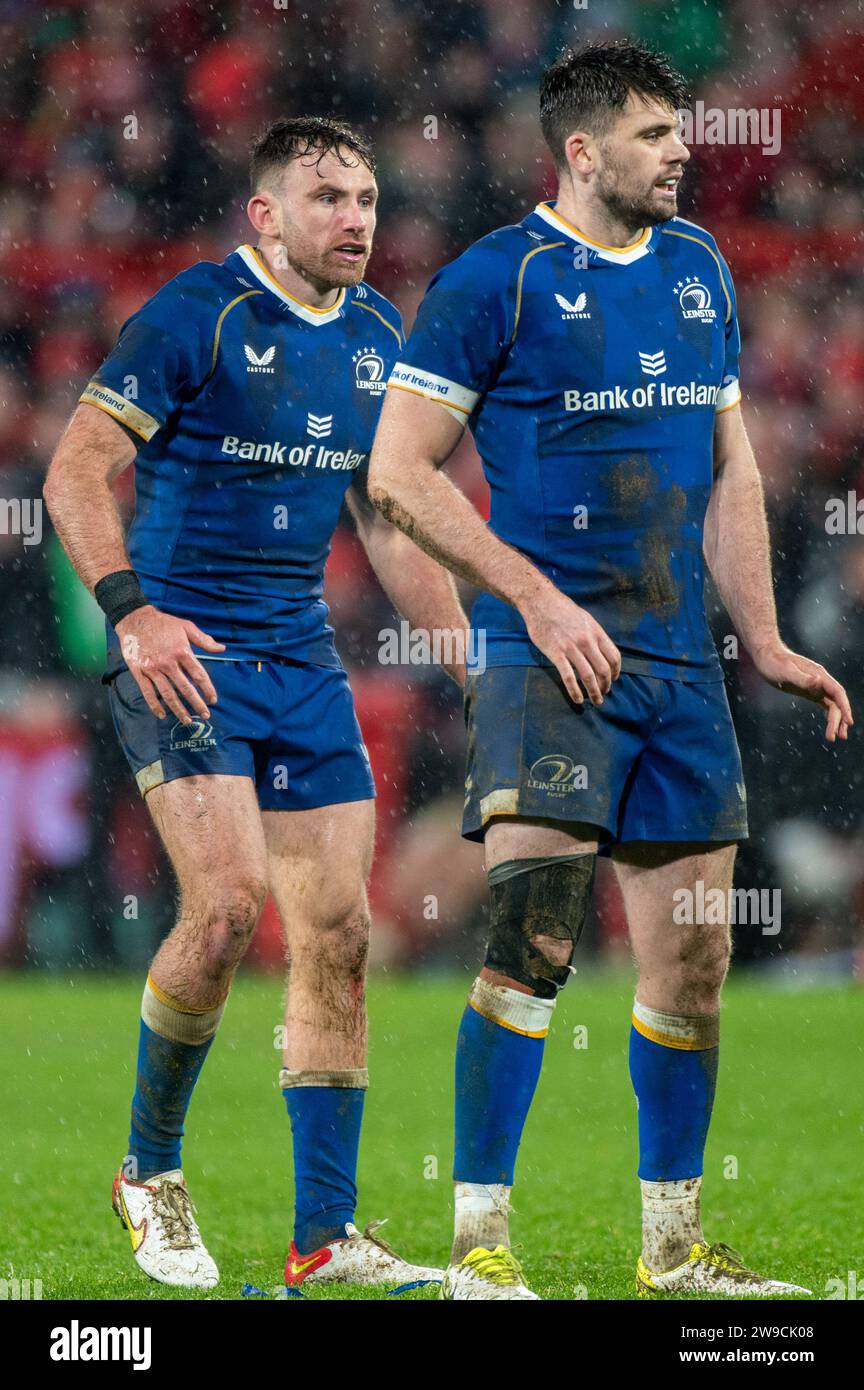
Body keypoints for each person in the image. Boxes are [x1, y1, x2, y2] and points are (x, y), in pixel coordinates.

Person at [368, 42, 852, 1300]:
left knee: (693, 961)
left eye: (679, 130)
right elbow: (398, 472)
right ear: (581, 153)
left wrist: (764, 633)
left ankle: (675, 1250)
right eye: (651, 135)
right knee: (532, 932)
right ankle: (479, 1243)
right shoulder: (498, 282)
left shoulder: (700, 271)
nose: (681, 151)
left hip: (678, 659)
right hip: (545, 648)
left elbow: (731, 468)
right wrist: (527, 598)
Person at [44, 115, 467, 1293]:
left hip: (301, 661)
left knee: (337, 934)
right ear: (266, 215)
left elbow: (386, 517)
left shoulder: (382, 337)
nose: (357, 220)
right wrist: (132, 613)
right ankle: (149, 1170)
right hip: (184, 654)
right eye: (328, 197)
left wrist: (472, 657)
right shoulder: (199, 314)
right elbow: (74, 468)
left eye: (370, 199)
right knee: (227, 905)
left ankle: (323, 1239)